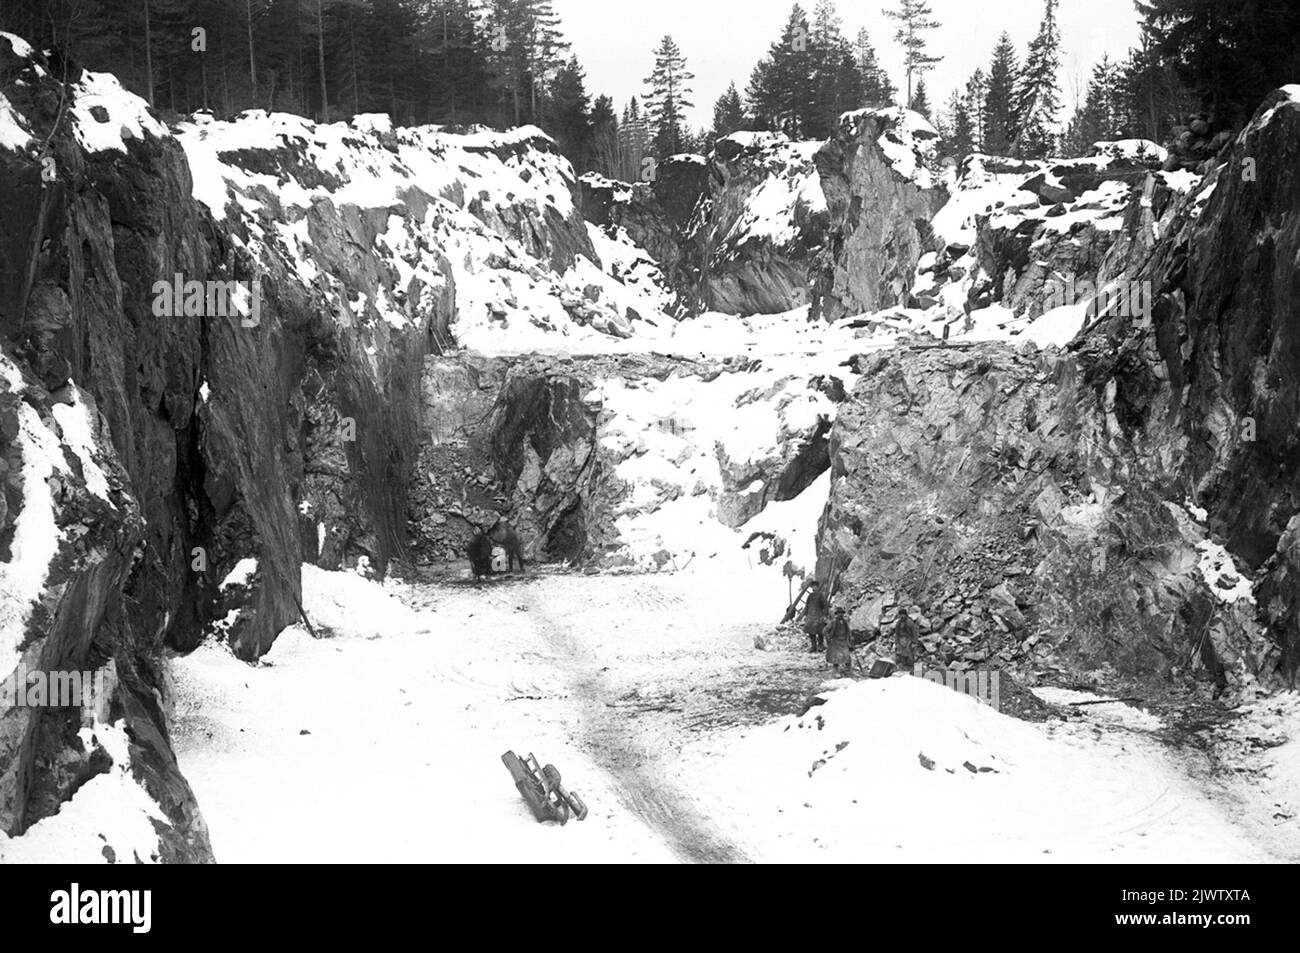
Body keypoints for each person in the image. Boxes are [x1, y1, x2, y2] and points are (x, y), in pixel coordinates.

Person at [799, 580, 829, 653]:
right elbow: (807, 605)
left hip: (819, 616)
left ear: (818, 587)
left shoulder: (821, 595)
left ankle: (821, 646)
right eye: (813, 586)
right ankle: (813, 646)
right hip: (810, 616)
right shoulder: (810, 595)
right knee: (810, 632)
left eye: (815, 586)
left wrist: (824, 615)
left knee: (820, 632)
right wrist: (805, 615)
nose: (814, 587)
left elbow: (825, 605)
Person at [824, 607, 853, 676]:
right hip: (835, 641)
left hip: (844, 641)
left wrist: (850, 639)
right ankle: (835, 670)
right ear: (836, 614)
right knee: (835, 656)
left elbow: (848, 631)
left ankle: (848, 670)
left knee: (847, 655)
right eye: (839, 613)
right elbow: (825, 630)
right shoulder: (833, 622)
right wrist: (828, 638)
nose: (840, 615)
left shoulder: (844, 622)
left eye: (841, 613)